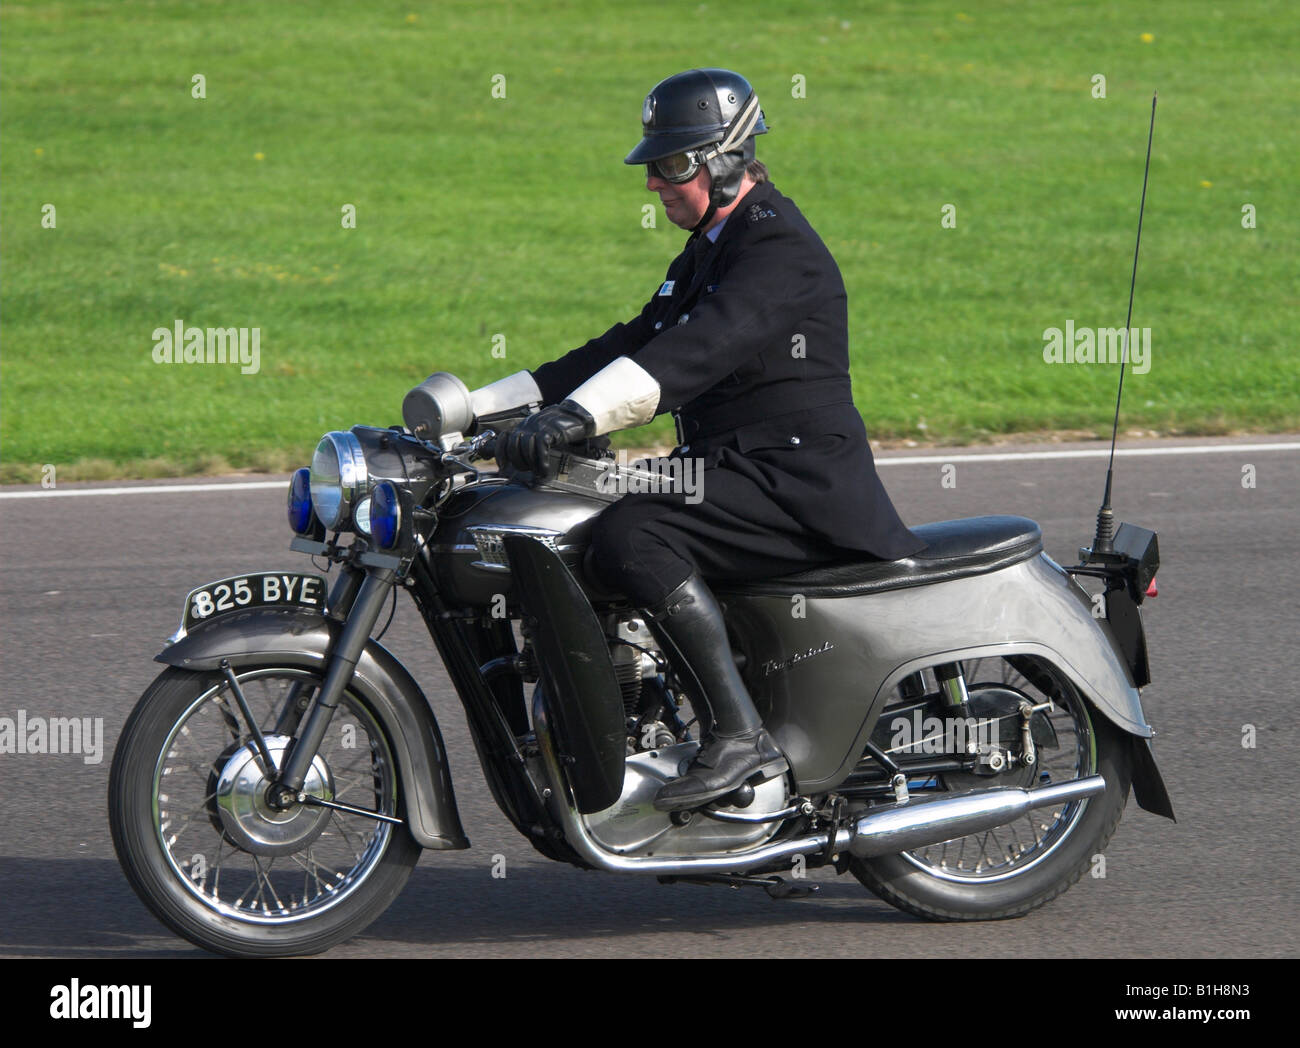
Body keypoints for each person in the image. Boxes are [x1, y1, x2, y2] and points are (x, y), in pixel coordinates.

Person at [482, 68, 925, 811]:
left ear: (725, 161)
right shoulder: (711, 248)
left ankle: (738, 737)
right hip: (732, 471)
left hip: (797, 487)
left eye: (673, 164)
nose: (656, 183)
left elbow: (696, 352)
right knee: (584, 512)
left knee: (633, 535)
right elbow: (631, 342)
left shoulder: (780, 251)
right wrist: (487, 404)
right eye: (655, 165)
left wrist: (579, 419)